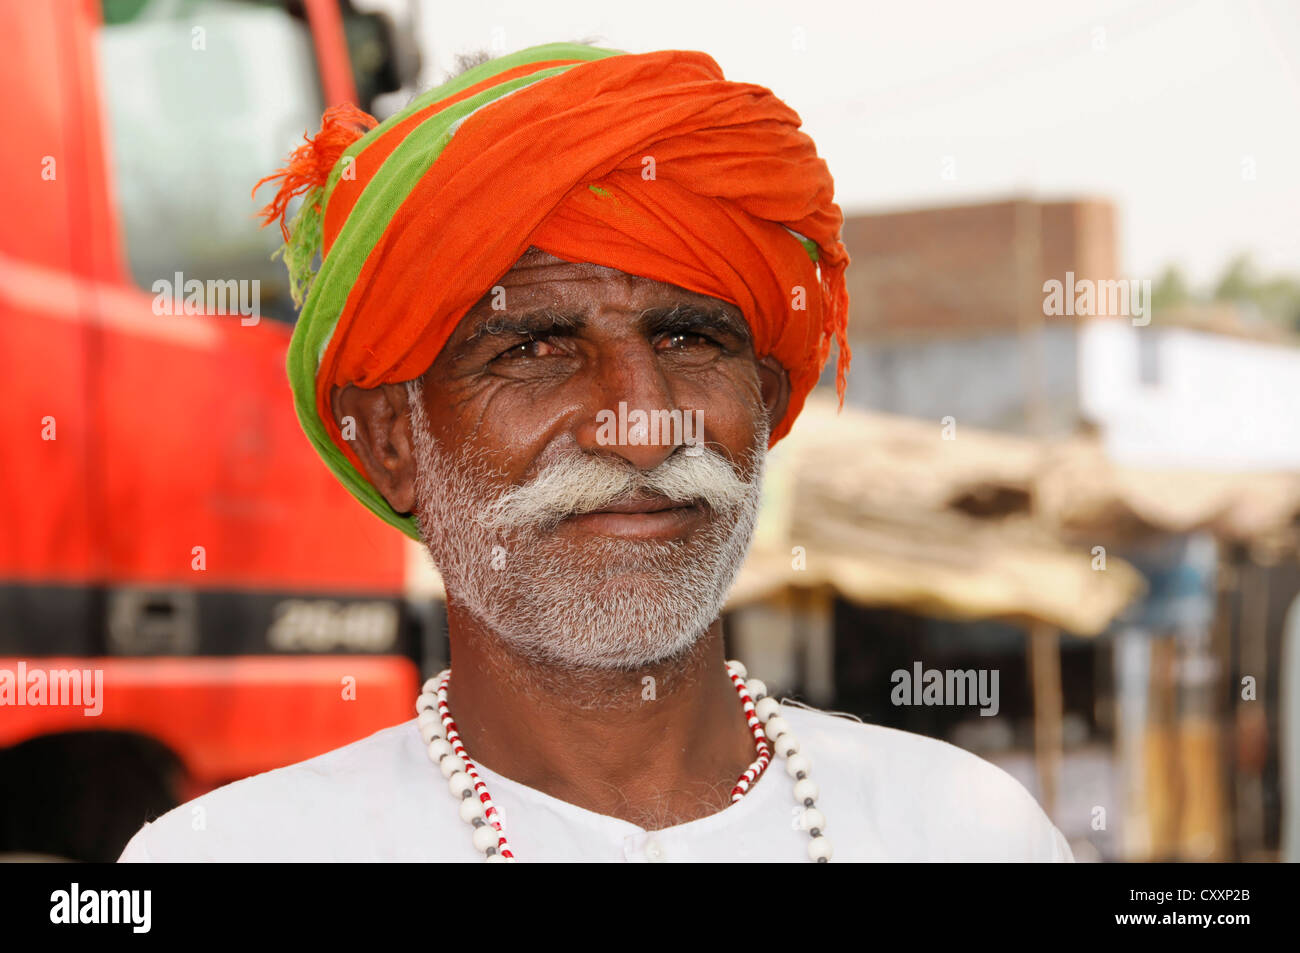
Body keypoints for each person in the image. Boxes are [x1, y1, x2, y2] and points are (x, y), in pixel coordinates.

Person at [119, 42, 1071, 862]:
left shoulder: (967, 833)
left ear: (768, 402)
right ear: (392, 441)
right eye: (534, 348)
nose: (642, 424)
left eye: (690, 339)